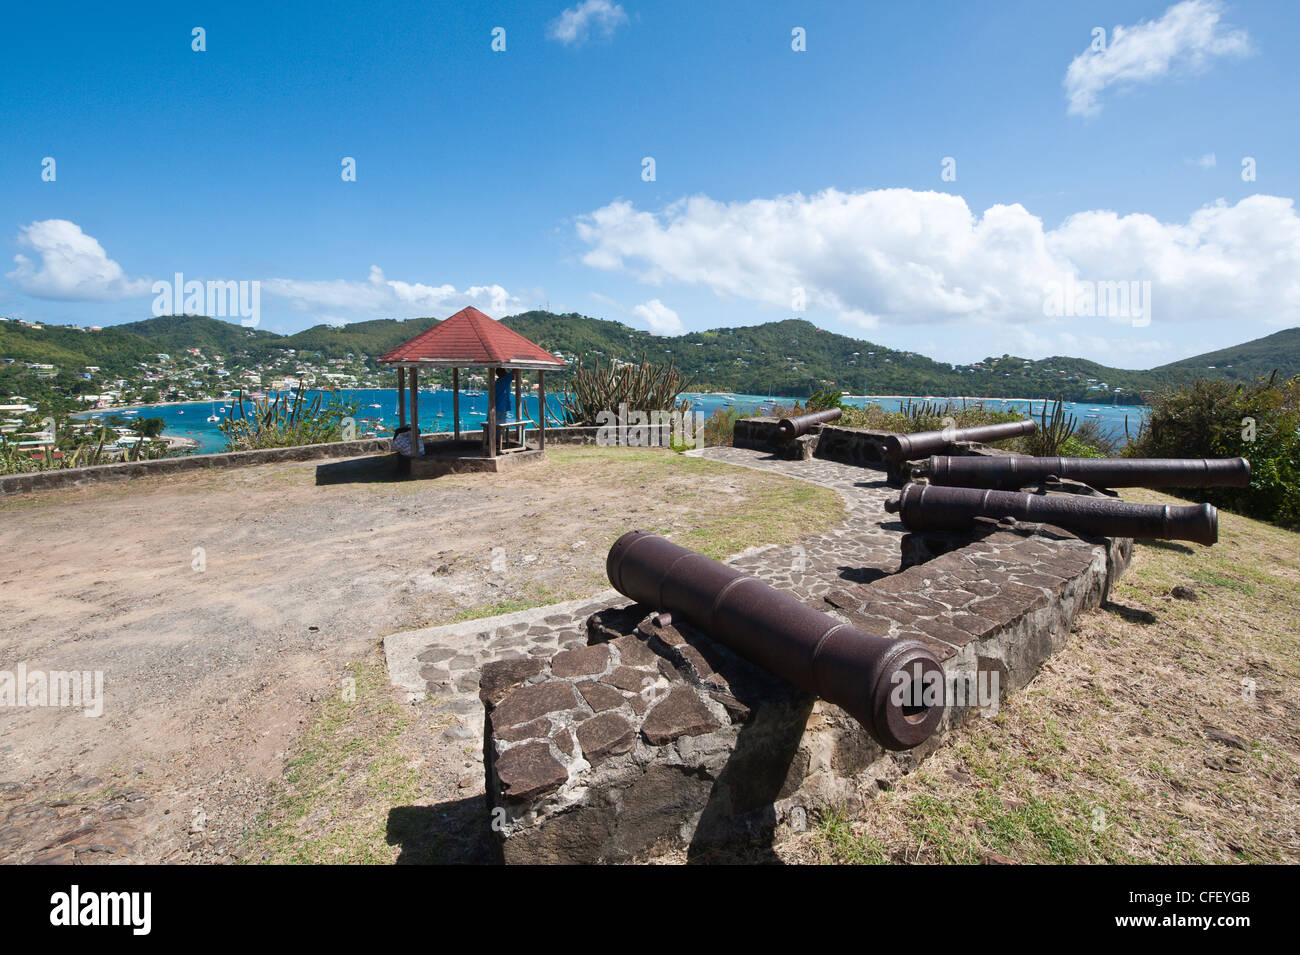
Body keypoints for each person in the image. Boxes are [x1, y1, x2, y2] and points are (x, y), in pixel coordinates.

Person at [493, 368, 513, 452]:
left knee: (493, 424)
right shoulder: (505, 380)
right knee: (501, 425)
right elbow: (514, 372)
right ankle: (498, 442)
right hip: (502, 406)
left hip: (495, 406)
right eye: (505, 371)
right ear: (503, 373)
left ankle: (492, 440)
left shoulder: (497, 382)